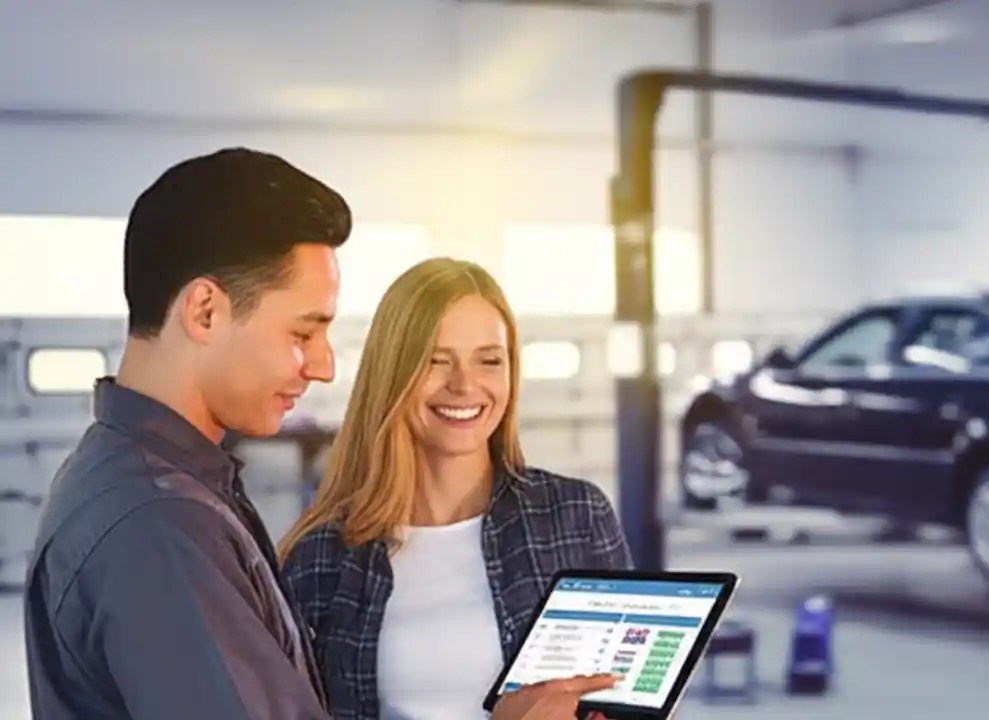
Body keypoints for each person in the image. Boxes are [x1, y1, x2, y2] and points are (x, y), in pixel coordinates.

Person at [22, 149, 612, 720]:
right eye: (303, 333)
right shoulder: (161, 525)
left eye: (490, 360)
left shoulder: (160, 489)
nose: (325, 366)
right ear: (204, 311)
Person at [278, 257, 632, 720]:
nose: (465, 385)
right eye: (436, 361)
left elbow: (627, 703)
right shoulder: (322, 556)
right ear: (392, 374)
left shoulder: (576, 517)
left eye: (489, 361)